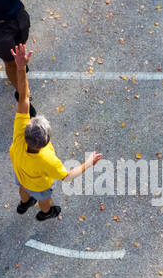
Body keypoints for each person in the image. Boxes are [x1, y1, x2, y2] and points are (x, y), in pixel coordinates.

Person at [7, 44, 100, 221]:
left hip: (20, 173)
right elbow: (67, 177)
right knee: (44, 198)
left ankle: (24, 203)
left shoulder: (19, 133)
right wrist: (89, 163)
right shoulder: (47, 160)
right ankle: (46, 212)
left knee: (23, 188)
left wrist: (20, 68)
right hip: (38, 184)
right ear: (46, 141)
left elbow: (24, 98)